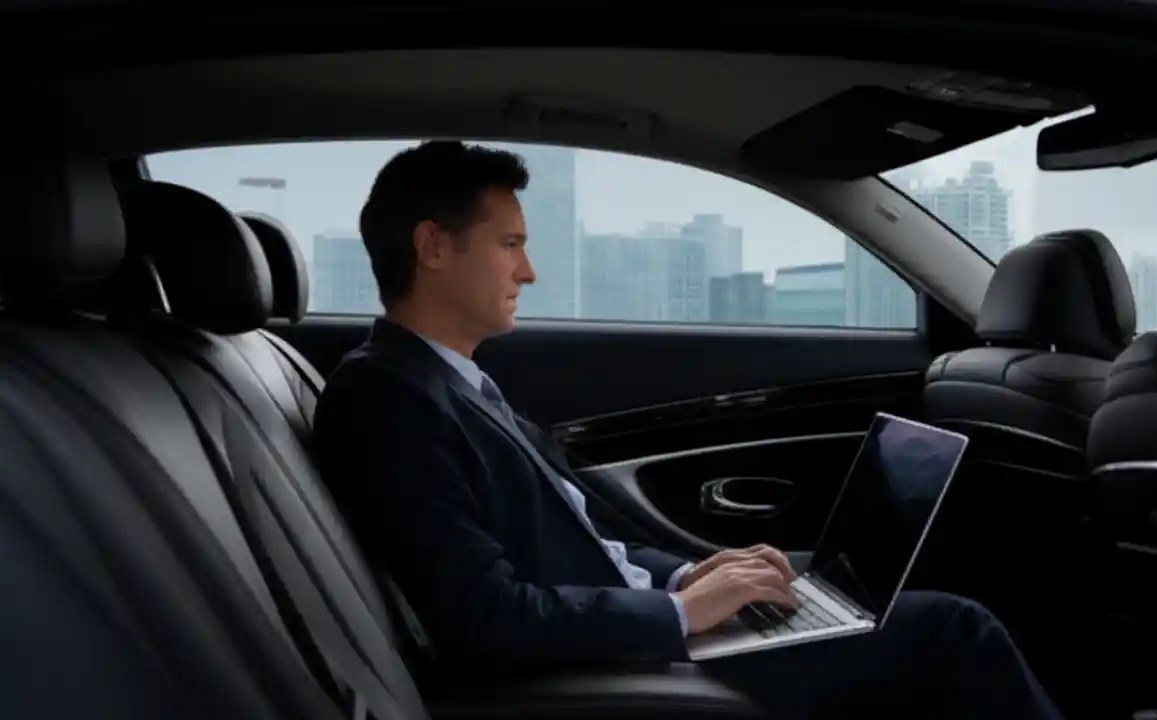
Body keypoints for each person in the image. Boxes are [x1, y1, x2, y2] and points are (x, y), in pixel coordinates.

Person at [312, 140, 1065, 719]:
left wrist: (686, 576)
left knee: (827, 583)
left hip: (626, 631)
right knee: (950, 630)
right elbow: (483, 618)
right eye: (510, 244)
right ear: (433, 247)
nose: (529, 271)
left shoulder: (449, 379)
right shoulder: (388, 400)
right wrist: (679, 615)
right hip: (611, 673)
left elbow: (577, 536)